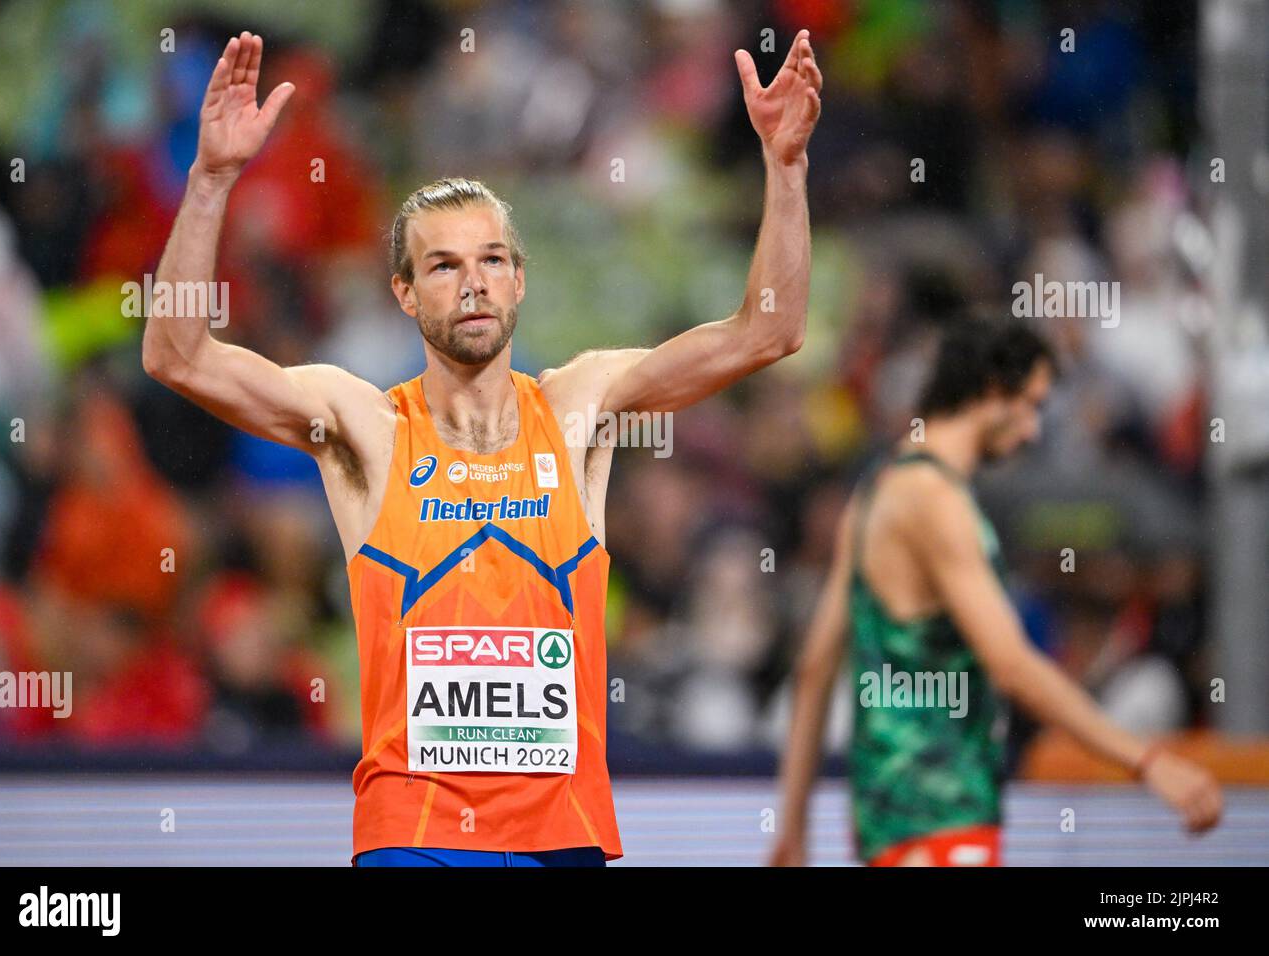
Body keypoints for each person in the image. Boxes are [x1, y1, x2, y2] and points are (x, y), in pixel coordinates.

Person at [142, 30, 823, 866]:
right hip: (417, 836)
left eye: (494, 259)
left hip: (560, 837)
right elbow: (176, 354)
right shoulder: (366, 426)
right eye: (444, 265)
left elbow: (769, 330)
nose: (474, 281)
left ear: (520, 281)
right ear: (403, 291)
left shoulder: (580, 407)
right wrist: (210, 181)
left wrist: (785, 169)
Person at [770, 318, 1223, 867]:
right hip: (946, 819)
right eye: (1030, 404)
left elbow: (815, 666)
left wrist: (792, 827)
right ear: (989, 390)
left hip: (887, 829)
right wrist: (1147, 760)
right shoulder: (939, 502)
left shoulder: (875, 494)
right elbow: (1010, 665)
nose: (1033, 430)